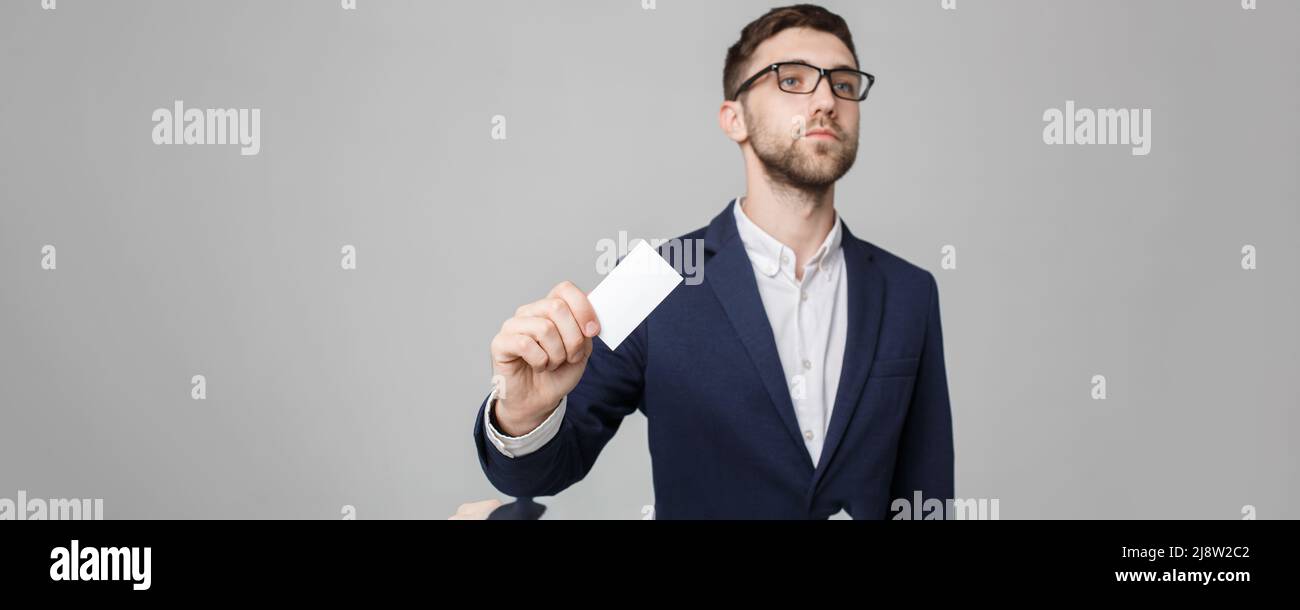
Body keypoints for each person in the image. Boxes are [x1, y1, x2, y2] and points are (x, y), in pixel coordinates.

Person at [469, 3, 953, 519]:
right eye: (791, 79)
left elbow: (926, 496)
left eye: (843, 83)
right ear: (734, 118)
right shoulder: (654, 277)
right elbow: (542, 472)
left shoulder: (909, 291)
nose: (825, 100)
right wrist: (522, 412)